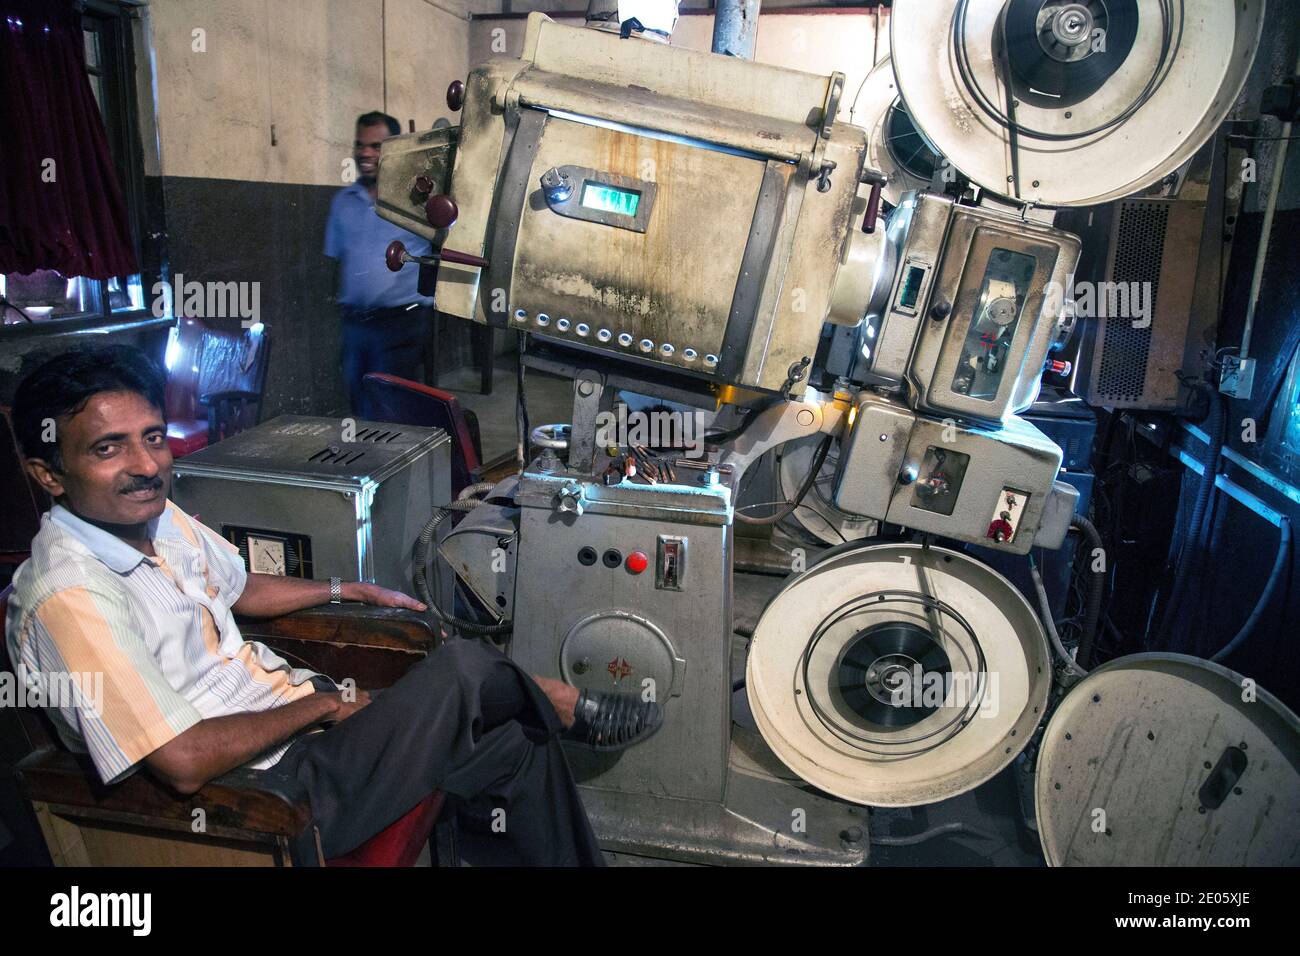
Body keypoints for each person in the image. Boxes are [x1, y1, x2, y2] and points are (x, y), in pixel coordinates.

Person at [4, 345, 662, 865]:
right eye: (107, 448)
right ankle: (567, 702)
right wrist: (319, 706)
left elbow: (239, 586)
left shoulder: (153, 515)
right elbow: (181, 764)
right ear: (48, 472)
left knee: (517, 742)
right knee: (461, 666)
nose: (147, 465)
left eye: (152, 437)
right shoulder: (71, 596)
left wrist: (348, 590)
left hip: (304, 733)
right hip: (268, 793)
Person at [325, 111, 433, 418]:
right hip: (355, 326)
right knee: (359, 407)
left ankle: (396, 465)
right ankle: (367, 464)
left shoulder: (416, 203)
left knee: (394, 412)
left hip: (401, 325)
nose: (365, 153)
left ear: (394, 150)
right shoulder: (343, 202)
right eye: (360, 145)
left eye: (375, 146)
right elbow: (336, 263)